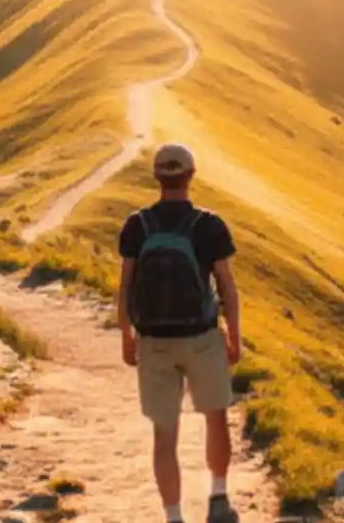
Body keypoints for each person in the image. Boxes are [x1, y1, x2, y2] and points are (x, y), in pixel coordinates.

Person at [118, 143, 242, 523]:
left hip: (154, 341)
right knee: (215, 417)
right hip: (201, 338)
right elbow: (226, 286)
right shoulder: (209, 225)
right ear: (191, 176)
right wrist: (234, 335)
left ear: (156, 177)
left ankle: (173, 517)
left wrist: (126, 334)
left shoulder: (137, 226)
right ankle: (218, 499)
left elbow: (125, 285)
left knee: (164, 434)